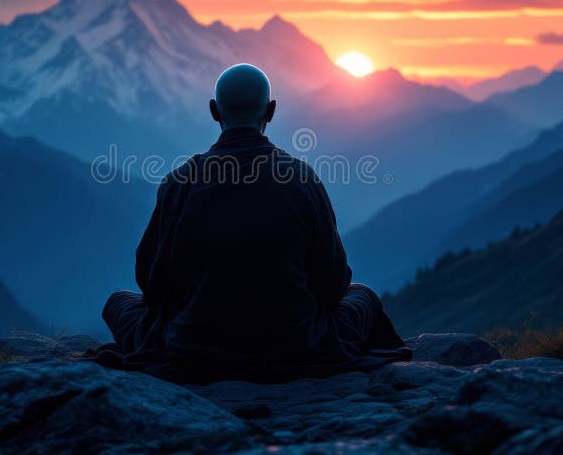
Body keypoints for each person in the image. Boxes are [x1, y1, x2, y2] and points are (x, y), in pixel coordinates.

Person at [101, 63, 409, 380]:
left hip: (192, 348)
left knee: (118, 302)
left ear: (213, 110)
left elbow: (151, 285)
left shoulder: (179, 182)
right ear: (271, 111)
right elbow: (333, 286)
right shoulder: (302, 178)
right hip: (299, 346)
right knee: (363, 296)